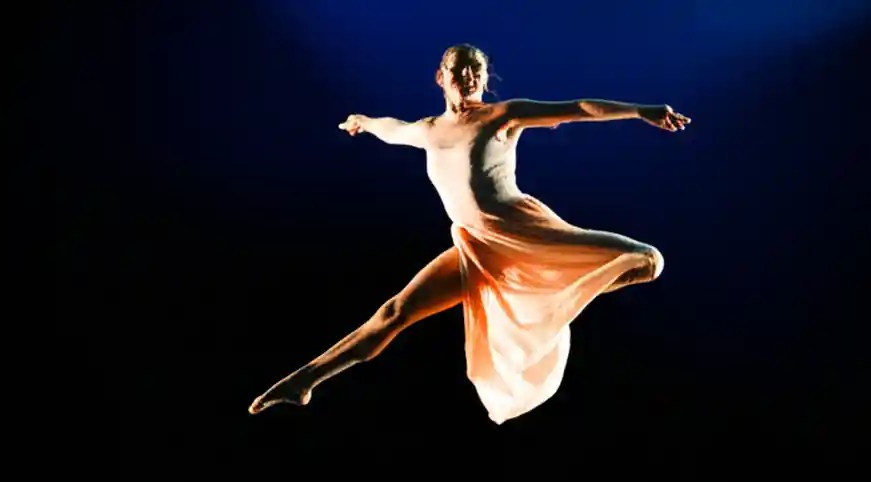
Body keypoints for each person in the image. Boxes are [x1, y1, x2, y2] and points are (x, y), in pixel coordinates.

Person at [248, 43, 690, 424]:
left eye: (476, 69)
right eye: (459, 68)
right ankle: (303, 381)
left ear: (484, 78)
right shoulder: (428, 130)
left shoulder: (503, 115)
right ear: (441, 77)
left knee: (648, 260)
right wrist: (363, 120)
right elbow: (391, 128)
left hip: (523, 232)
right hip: (476, 246)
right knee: (394, 312)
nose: (469, 75)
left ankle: (550, 292)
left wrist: (639, 111)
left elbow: (579, 108)